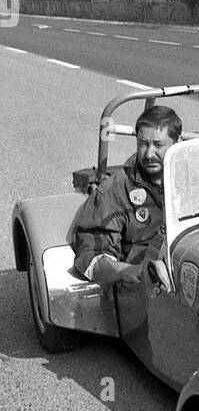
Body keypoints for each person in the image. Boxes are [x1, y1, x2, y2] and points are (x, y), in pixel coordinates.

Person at [72, 105, 182, 287]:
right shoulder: (114, 190)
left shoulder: (197, 180)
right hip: (142, 287)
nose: (149, 154)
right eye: (143, 144)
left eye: (158, 145)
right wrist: (126, 271)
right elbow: (90, 256)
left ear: (177, 143)